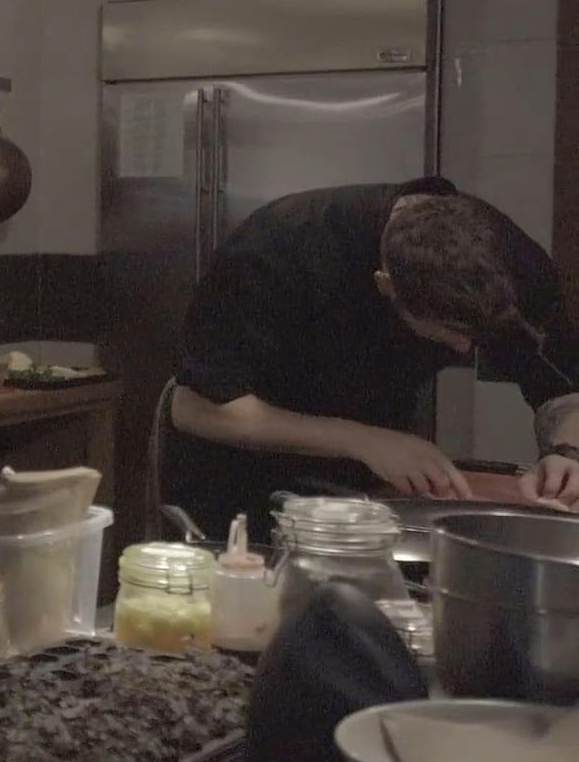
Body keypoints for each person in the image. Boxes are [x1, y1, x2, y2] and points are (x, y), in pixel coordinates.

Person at [165, 178, 579, 541]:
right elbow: (194, 408)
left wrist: (566, 451)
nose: (464, 349)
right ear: (386, 286)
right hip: (238, 479)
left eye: (477, 336)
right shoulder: (276, 249)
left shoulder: (514, 265)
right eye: (450, 332)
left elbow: (561, 391)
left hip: (367, 485)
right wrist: (363, 441)